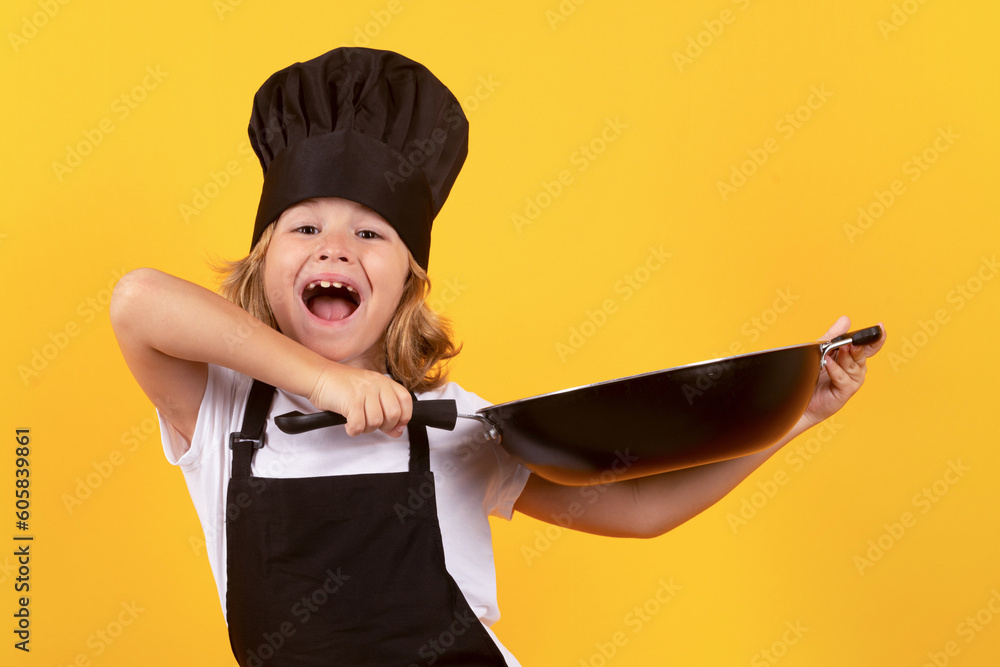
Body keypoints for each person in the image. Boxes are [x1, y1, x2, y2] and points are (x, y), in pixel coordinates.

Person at [110, 47, 886, 666]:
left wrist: (796, 415)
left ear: (409, 285)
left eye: (371, 233)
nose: (336, 247)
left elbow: (641, 510)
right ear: (261, 263)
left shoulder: (452, 425)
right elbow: (137, 300)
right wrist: (325, 381)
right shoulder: (217, 413)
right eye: (304, 228)